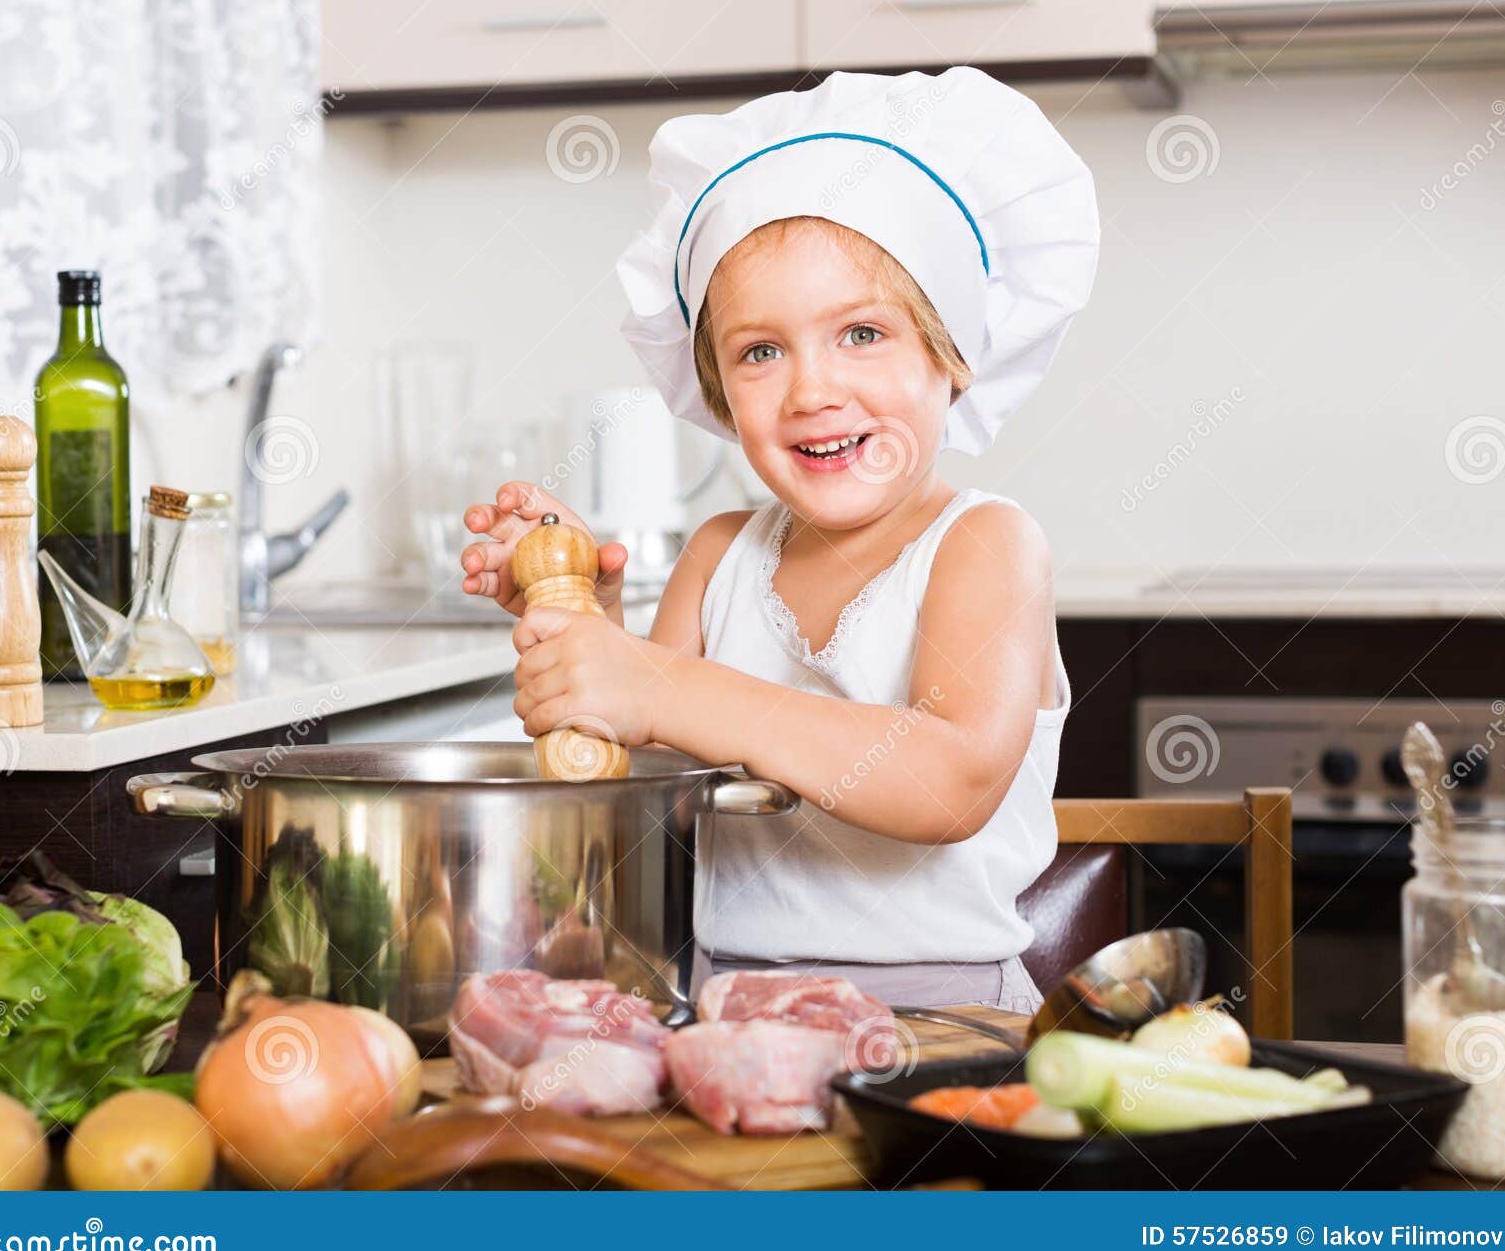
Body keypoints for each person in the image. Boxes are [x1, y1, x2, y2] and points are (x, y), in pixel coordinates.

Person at [461, 67, 1099, 1010]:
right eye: (760, 352)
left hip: (947, 1018)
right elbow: (639, 791)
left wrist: (657, 683)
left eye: (862, 334)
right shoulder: (721, 554)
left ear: (953, 352)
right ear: (717, 390)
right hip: (725, 1008)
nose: (811, 391)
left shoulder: (985, 545)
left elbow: (947, 783)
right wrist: (583, 632)